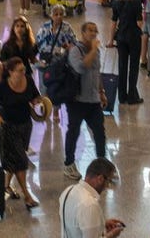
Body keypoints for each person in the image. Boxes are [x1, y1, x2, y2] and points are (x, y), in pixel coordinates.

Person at [0, 57, 42, 210]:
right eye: (19, 71)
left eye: (24, 70)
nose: (23, 73)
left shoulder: (28, 81)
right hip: (8, 128)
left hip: (25, 125)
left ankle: (6, 185)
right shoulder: (3, 87)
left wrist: (38, 102)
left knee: (16, 158)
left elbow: (34, 98)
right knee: (21, 161)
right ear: (10, 72)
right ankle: (27, 196)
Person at [63, 21, 108, 180]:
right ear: (82, 33)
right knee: (74, 131)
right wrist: (94, 49)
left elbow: (97, 72)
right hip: (77, 101)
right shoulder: (76, 50)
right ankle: (69, 163)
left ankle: (102, 164)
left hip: (93, 100)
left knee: (99, 133)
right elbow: (82, 67)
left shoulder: (96, 52)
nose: (94, 33)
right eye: (90, 30)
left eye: (95, 30)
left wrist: (101, 92)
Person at [58, 157, 125, 238]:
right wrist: (112, 234)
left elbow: (76, 225)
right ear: (100, 179)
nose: (106, 187)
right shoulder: (90, 205)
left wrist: (101, 224)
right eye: (108, 182)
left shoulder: (68, 190)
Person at [108, 0, 144, 105]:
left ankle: (121, 96)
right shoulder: (136, 2)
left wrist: (110, 40)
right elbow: (139, 23)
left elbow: (113, 22)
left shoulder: (117, 2)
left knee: (122, 66)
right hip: (134, 36)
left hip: (121, 37)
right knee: (133, 67)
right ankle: (132, 96)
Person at [0, 15, 38, 85]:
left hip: (26, 74)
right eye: (17, 26)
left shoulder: (31, 44)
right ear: (13, 28)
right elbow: (2, 62)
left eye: (22, 26)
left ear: (26, 28)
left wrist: (40, 63)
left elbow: (33, 59)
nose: (19, 29)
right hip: (12, 76)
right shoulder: (7, 45)